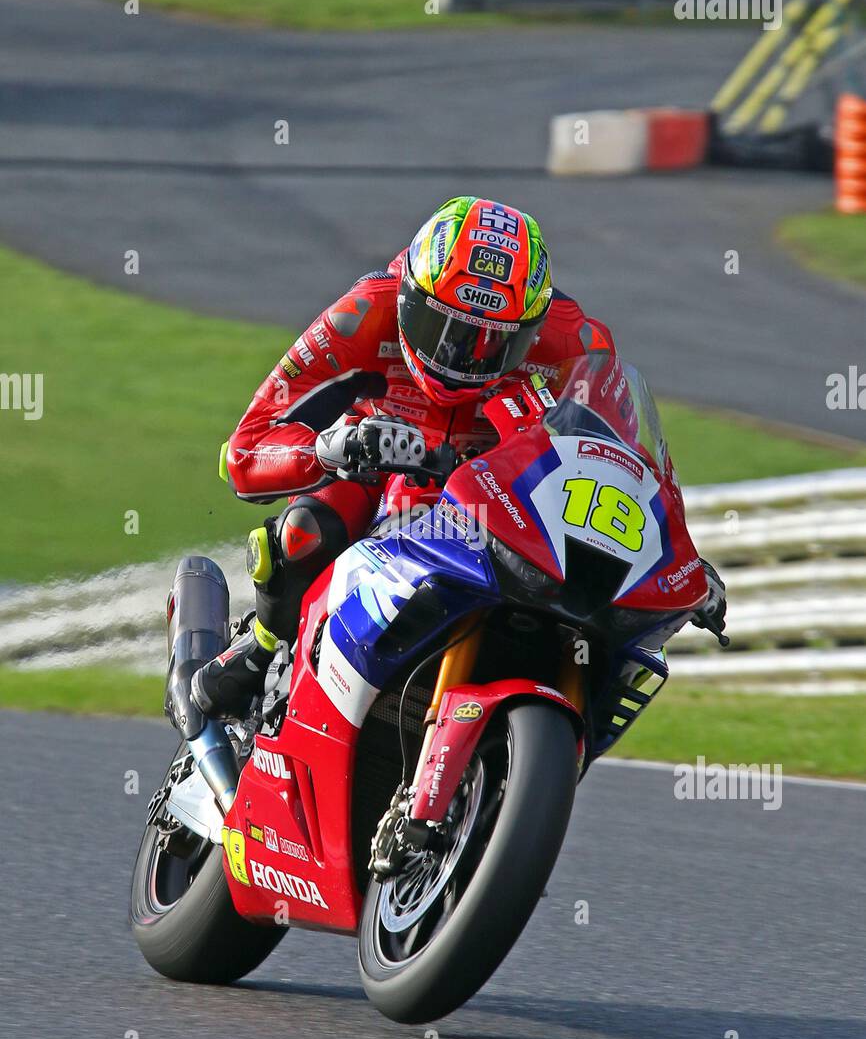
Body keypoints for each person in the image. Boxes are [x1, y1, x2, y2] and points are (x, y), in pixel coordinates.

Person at [191, 196, 726, 719]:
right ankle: (262, 650)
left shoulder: (574, 342)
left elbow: (630, 459)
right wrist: (332, 449)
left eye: (492, 342)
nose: (462, 357)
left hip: (503, 495)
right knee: (304, 531)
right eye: (442, 329)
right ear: (409, 299)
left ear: (530, 330)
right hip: (380, 469)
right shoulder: (363, 315)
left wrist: (674, 551)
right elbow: (244, 453)